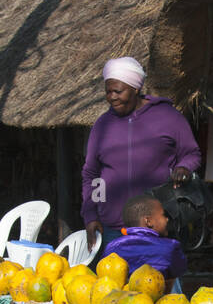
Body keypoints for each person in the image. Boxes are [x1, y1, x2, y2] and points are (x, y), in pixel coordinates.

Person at [80, 56, 202, 258]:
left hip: (156, 227)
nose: (112, 97)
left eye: (118, 91)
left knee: (160, 285)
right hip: (113, 229)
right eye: (108, 91)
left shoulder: (169, 117)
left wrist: (184, 168)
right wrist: (91, 215)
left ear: (136, 89)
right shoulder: (102, 125)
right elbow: (92, 175)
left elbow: (191, 153)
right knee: (114, 287)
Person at [104, 195, 187, 281]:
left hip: (120, 293)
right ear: (148, 221)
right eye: (163, 215)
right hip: (157, 292)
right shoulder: (170, 247)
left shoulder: (111, 248)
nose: (167, 219)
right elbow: (180, 270)